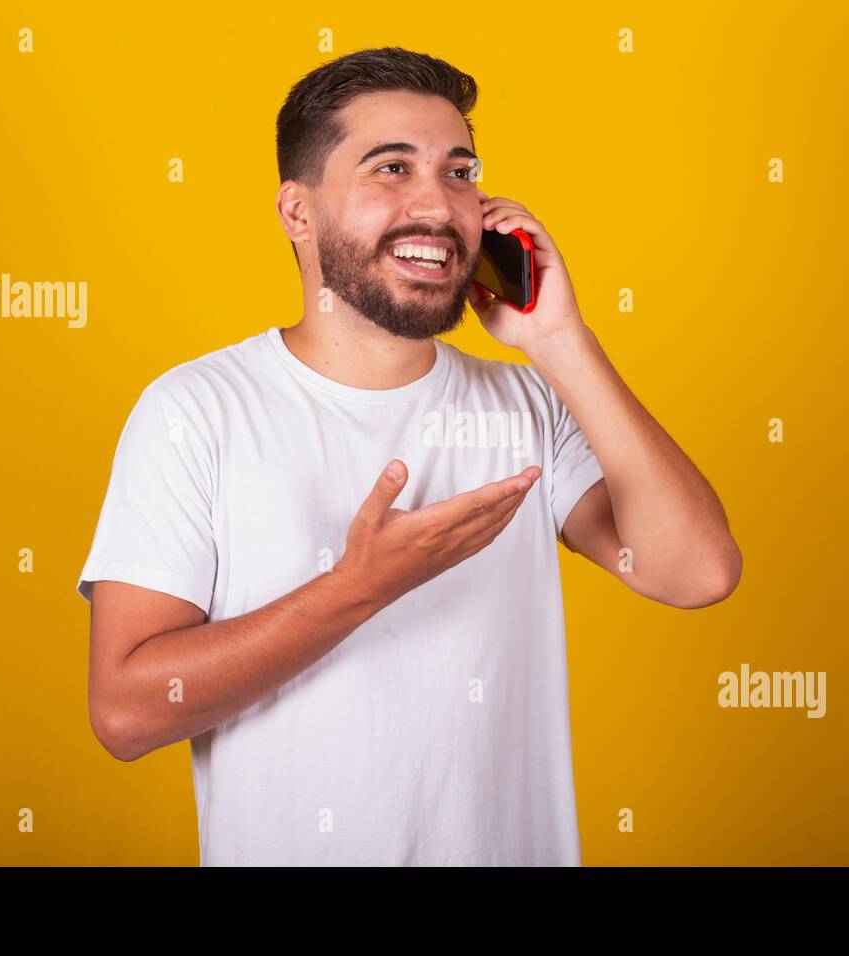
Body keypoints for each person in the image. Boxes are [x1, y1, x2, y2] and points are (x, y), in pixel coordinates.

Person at [77, 46, 741, 866]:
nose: (438, 204)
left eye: (460, 173)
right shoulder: (196, 412)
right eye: (392, 168)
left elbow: (698, 573)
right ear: (299, 212)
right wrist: (359, 589)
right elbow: (127, 712)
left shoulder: (528, 404)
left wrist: (562, 342)